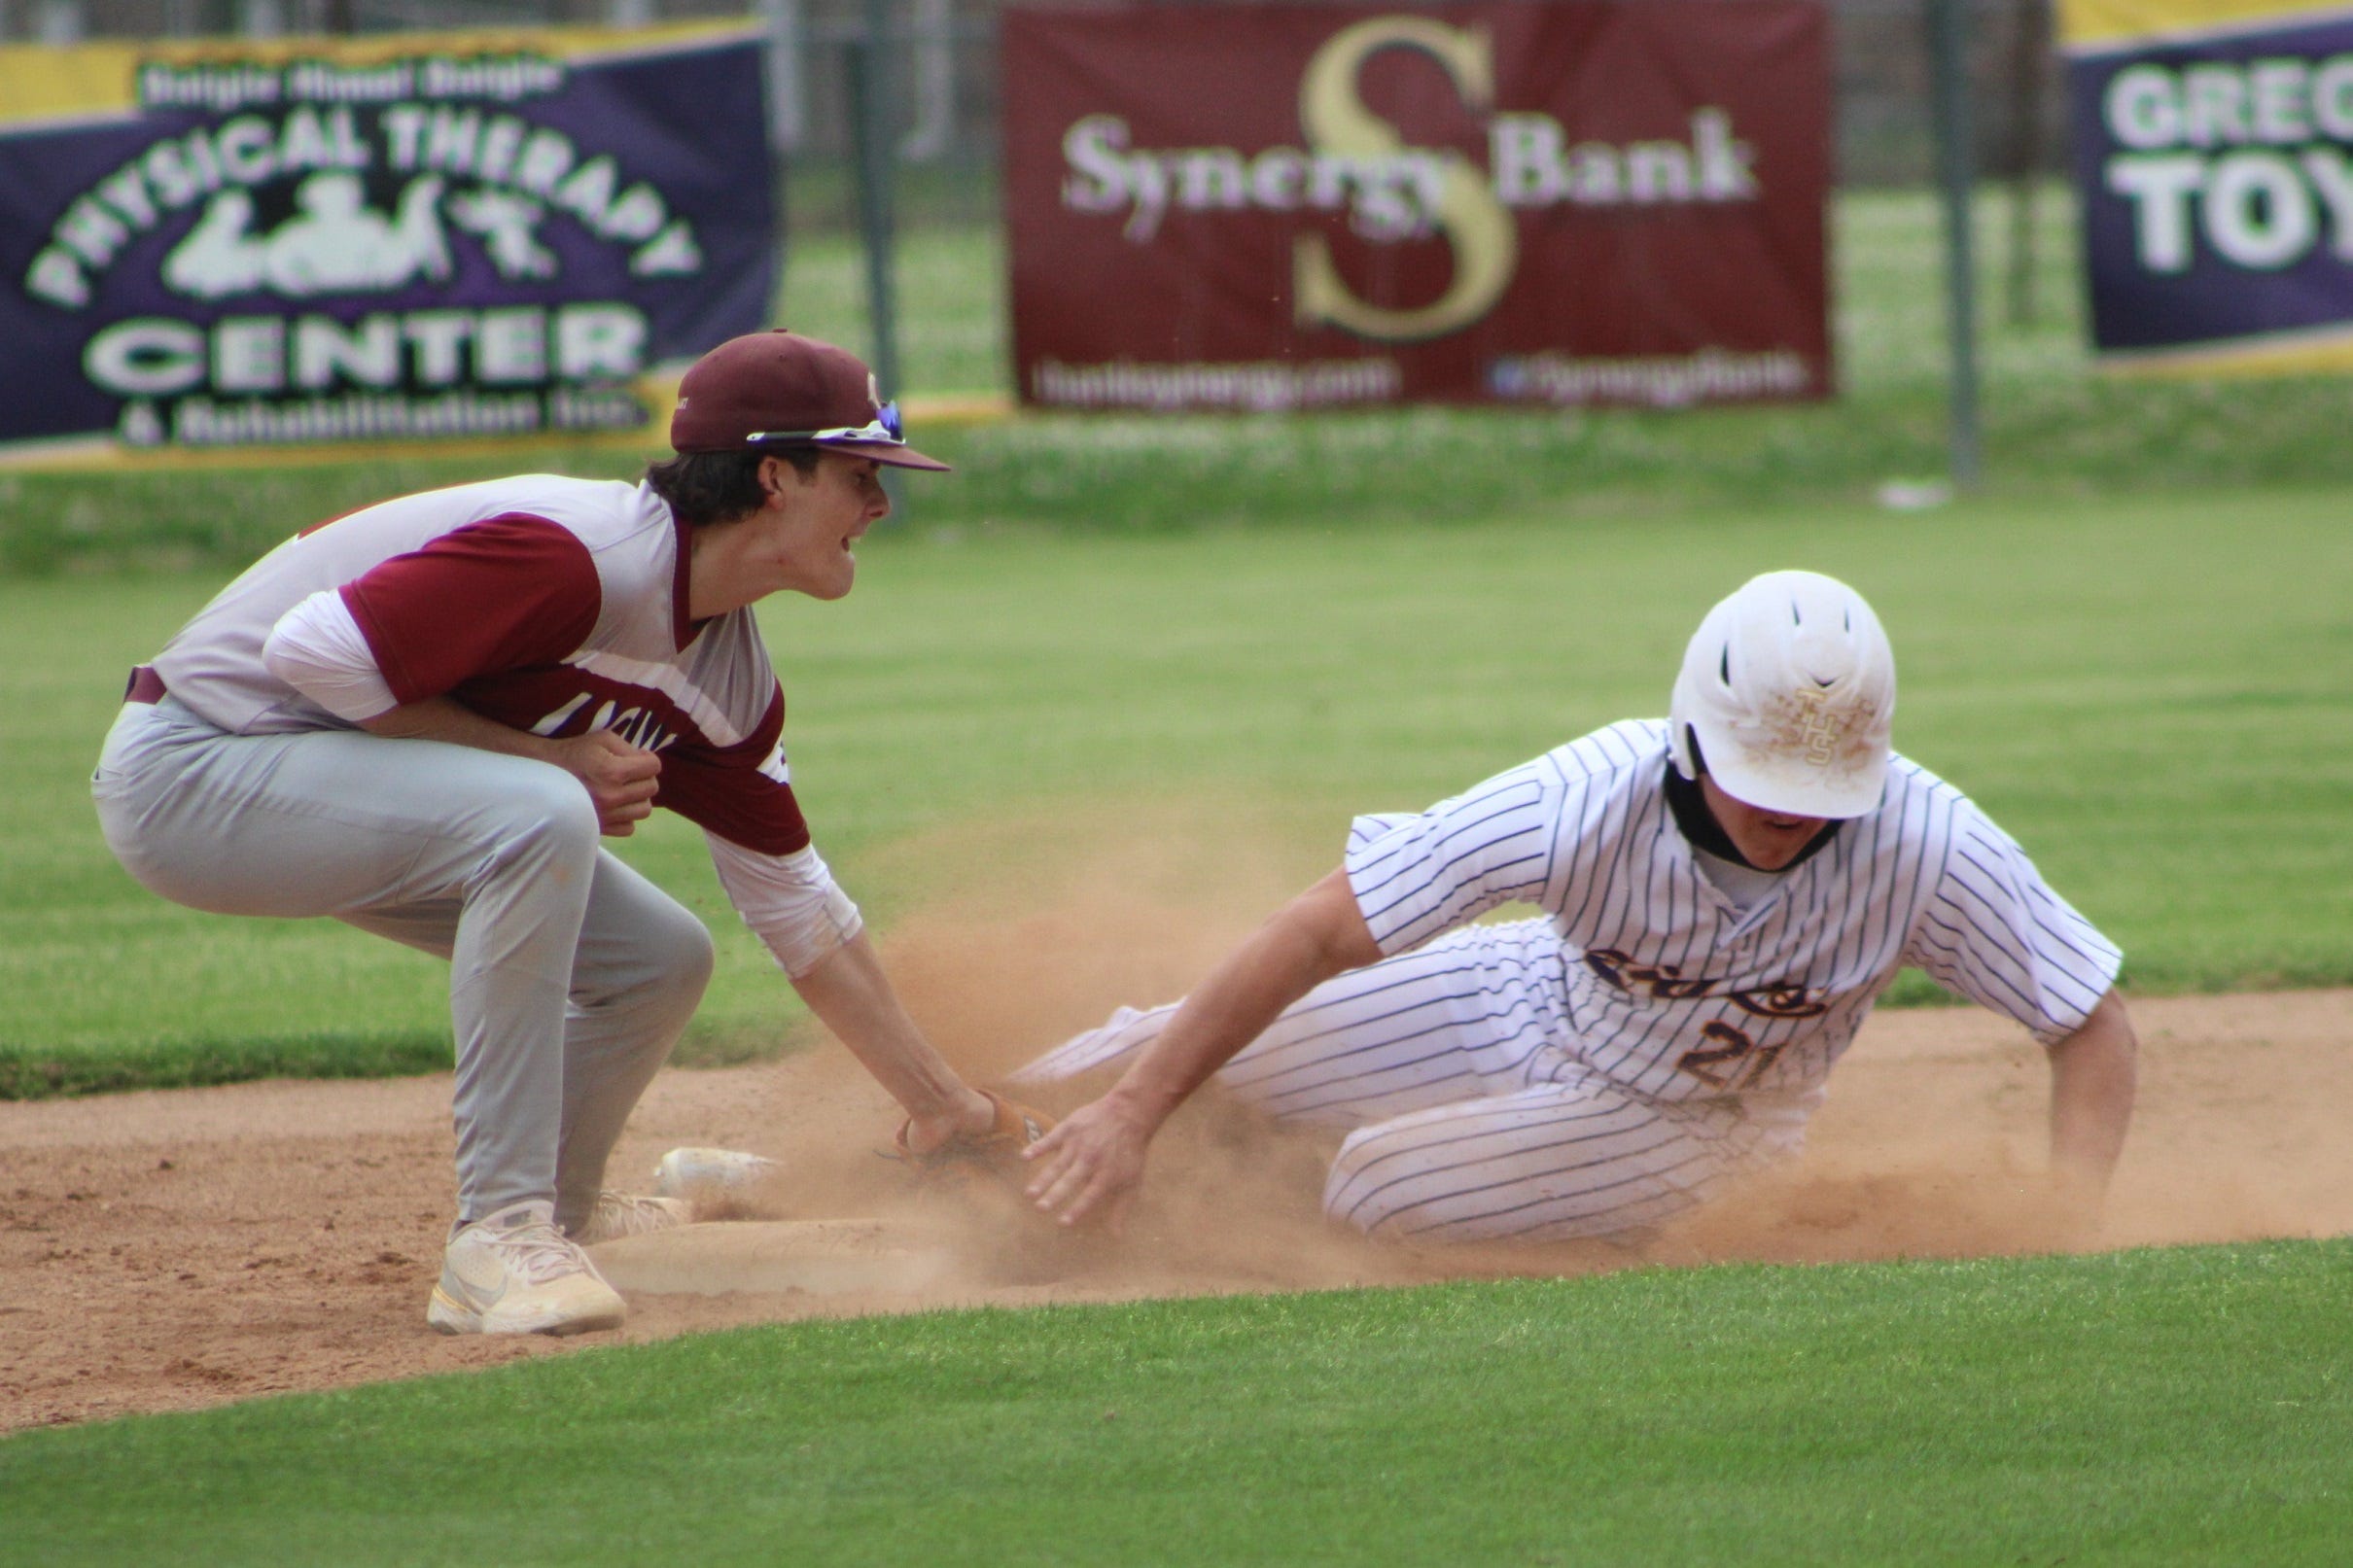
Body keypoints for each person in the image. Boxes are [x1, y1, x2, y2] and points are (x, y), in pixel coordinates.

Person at [92, 329, 1045, 1337]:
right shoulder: (580, 556)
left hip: (336, 793)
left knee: (657, 957)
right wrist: (544, 761)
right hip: (195, 767)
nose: (880, 505)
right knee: (539, 811)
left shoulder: (725, 681)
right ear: (775, 475)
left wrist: (947, 1104)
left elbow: (801, 909)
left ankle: (561, 1209)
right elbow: (309, 655)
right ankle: (494, 1237)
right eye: (860, 474)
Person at [1015, 571, 2139, 1247]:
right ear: (1693, 734)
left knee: (1368, 1187)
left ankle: (1155, 1236)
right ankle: (971, 1155)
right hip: (1524, 993)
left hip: (1702, 1123)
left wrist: (2067, 1219)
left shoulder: (1927, 842)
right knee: (1138, 1057)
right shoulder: (1579, 798)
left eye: (1820, 785)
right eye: (1765, 775)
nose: (1793, 811)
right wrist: (1130, 1110)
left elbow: (2085, 1017)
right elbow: (1317, 930)